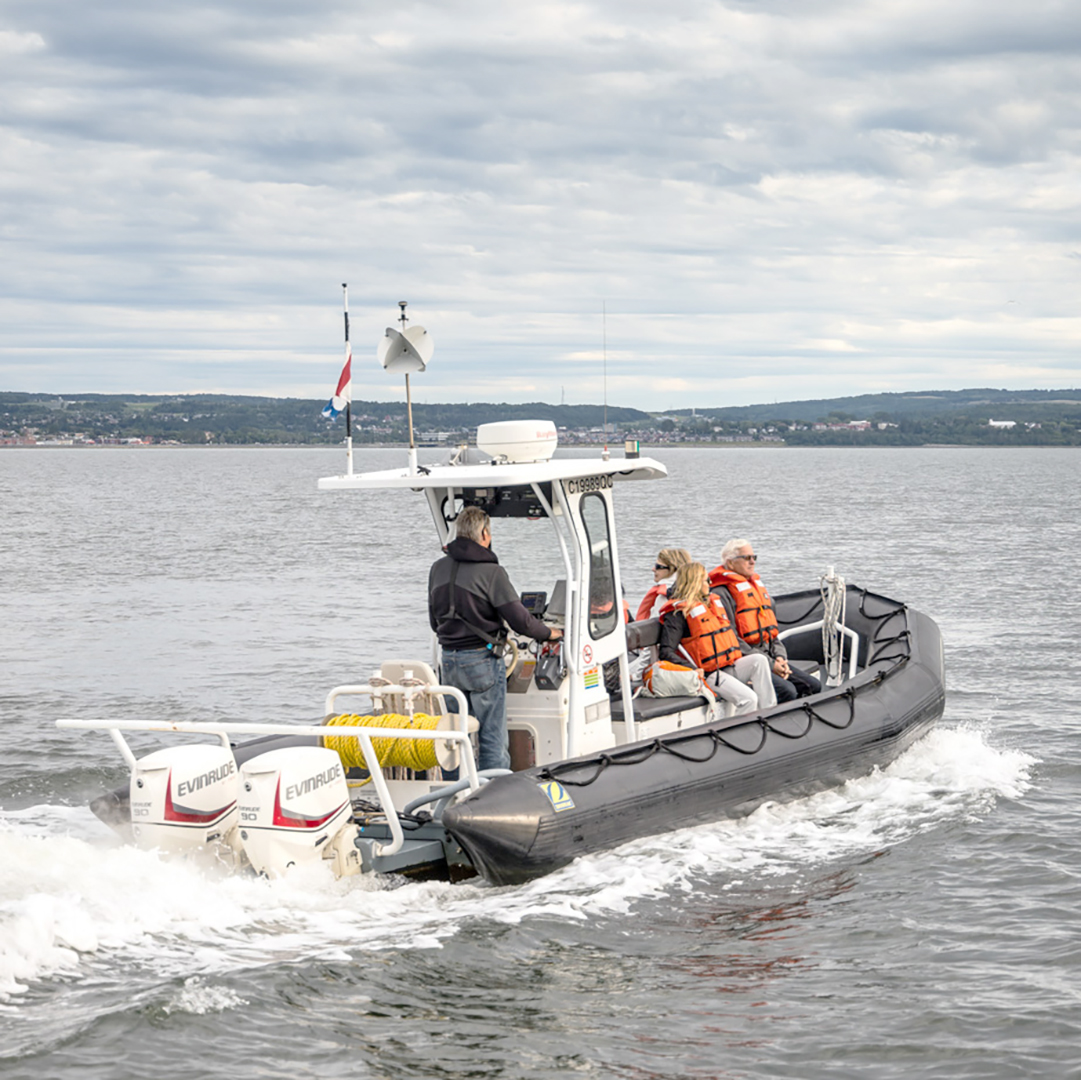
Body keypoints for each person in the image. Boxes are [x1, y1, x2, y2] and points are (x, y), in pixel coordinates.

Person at [428, 505, 562, 771]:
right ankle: (493, 792)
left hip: (449, 663)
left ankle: (455, 795)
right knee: (492, 736)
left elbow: (434, 621)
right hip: (482, 661)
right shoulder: (492, 573)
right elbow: (520, 621)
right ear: (485, 533)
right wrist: (550, 633)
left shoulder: (438, 569)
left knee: (455, 738)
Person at [709, 539, 821, 703]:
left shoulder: (754, 589)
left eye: (754, 557)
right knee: (787, 691)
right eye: (747, 558)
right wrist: (771, 664)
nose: (752, 561)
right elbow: (731, 639)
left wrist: (780, 658)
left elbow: (771, 633)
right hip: (747, 662)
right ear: (730, 563)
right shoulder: (721, 594)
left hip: (769, 657)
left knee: (813, 686)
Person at [658, 562, 776, 716]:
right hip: (708, 675)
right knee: (749, 698)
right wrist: (692, 669)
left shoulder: (710, 605)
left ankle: (769, 714)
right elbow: (666, 651)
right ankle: (741, 734)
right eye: (706, 580)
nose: (710, 583)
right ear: (694, 582)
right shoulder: (678, 614)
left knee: (759, 660)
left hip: (726, 666)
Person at [635, 547, 693, 622]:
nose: (653, 569)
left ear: (672, 569)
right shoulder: (691, 590)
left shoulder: (664, 597)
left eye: (658, 566)